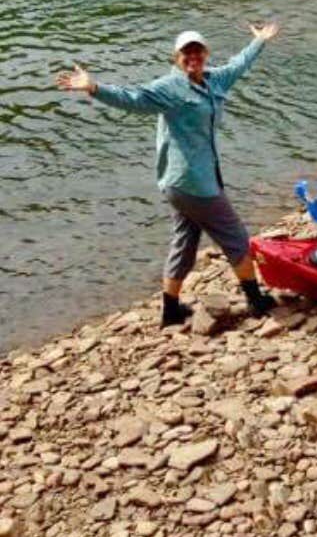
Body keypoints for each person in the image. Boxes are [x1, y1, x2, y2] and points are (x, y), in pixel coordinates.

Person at [57, 21, 282, 328]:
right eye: (186, 53)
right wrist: (94, 88)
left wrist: (259, 41)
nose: (193, 57)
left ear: (205, 54)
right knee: (237, 239)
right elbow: (132, 98)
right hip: (192, 182)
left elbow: (238, 65)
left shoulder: (215, 80)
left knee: (185, 243)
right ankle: (256, 301)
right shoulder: (169, 88)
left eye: (197, 51)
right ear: (176, 58)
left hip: (186, 182)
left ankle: (171, 310)